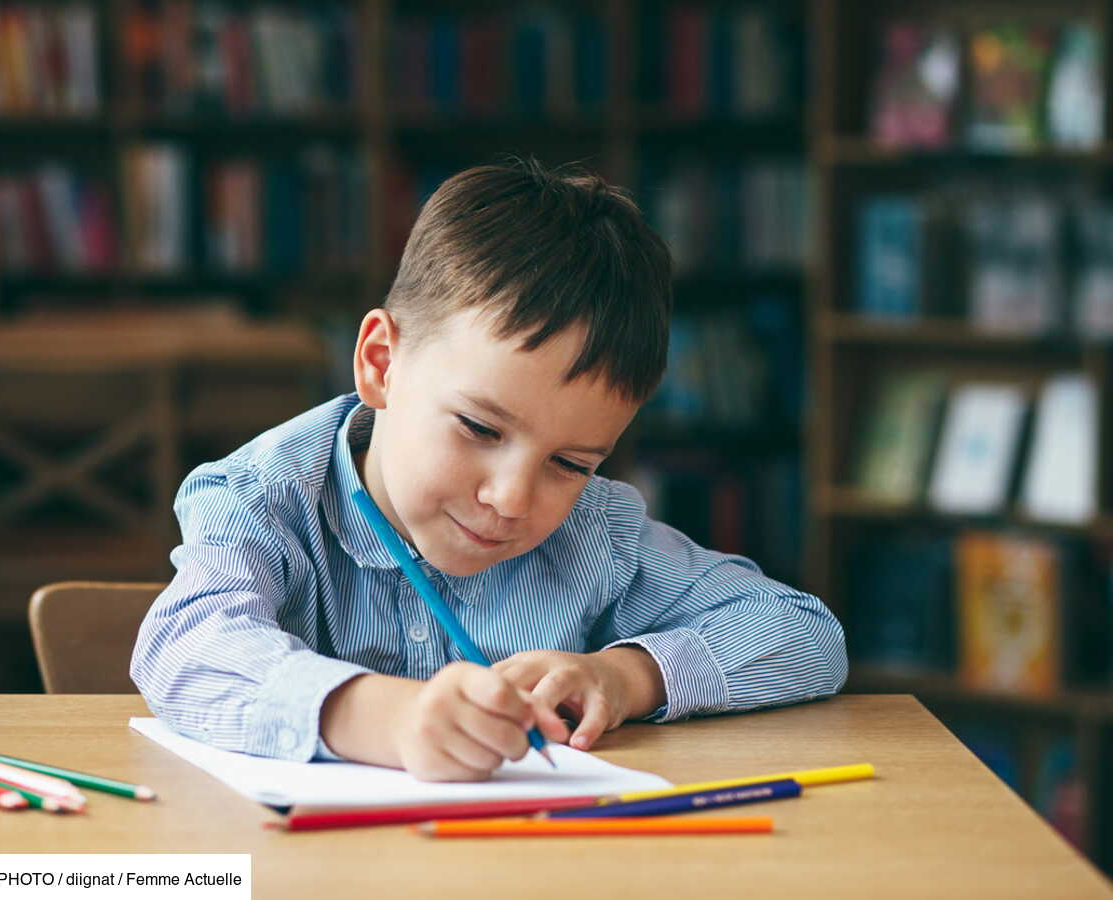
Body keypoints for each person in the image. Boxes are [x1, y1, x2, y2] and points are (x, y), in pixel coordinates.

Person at [131, 156, 847, 782]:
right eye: (479, 427)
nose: (511, 498)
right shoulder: (262, 500)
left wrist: (625, 676)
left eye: (569, 463)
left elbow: (801, 631)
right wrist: (387, 718)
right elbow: (183, 649)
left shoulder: (596, 532)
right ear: (382, 364)